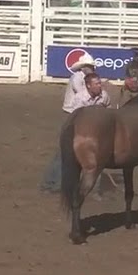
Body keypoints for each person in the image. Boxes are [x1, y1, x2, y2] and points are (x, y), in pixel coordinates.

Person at [40, 56, 104, 192]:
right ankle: (51, 182)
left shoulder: (84, 79)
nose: (92, 69)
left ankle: (57, 182)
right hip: (71, 115)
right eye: (89, 66)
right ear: (83, 67)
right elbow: (84, 94)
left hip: (80, 115)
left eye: (92, 67)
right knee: (65, 151)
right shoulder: (77, 78)